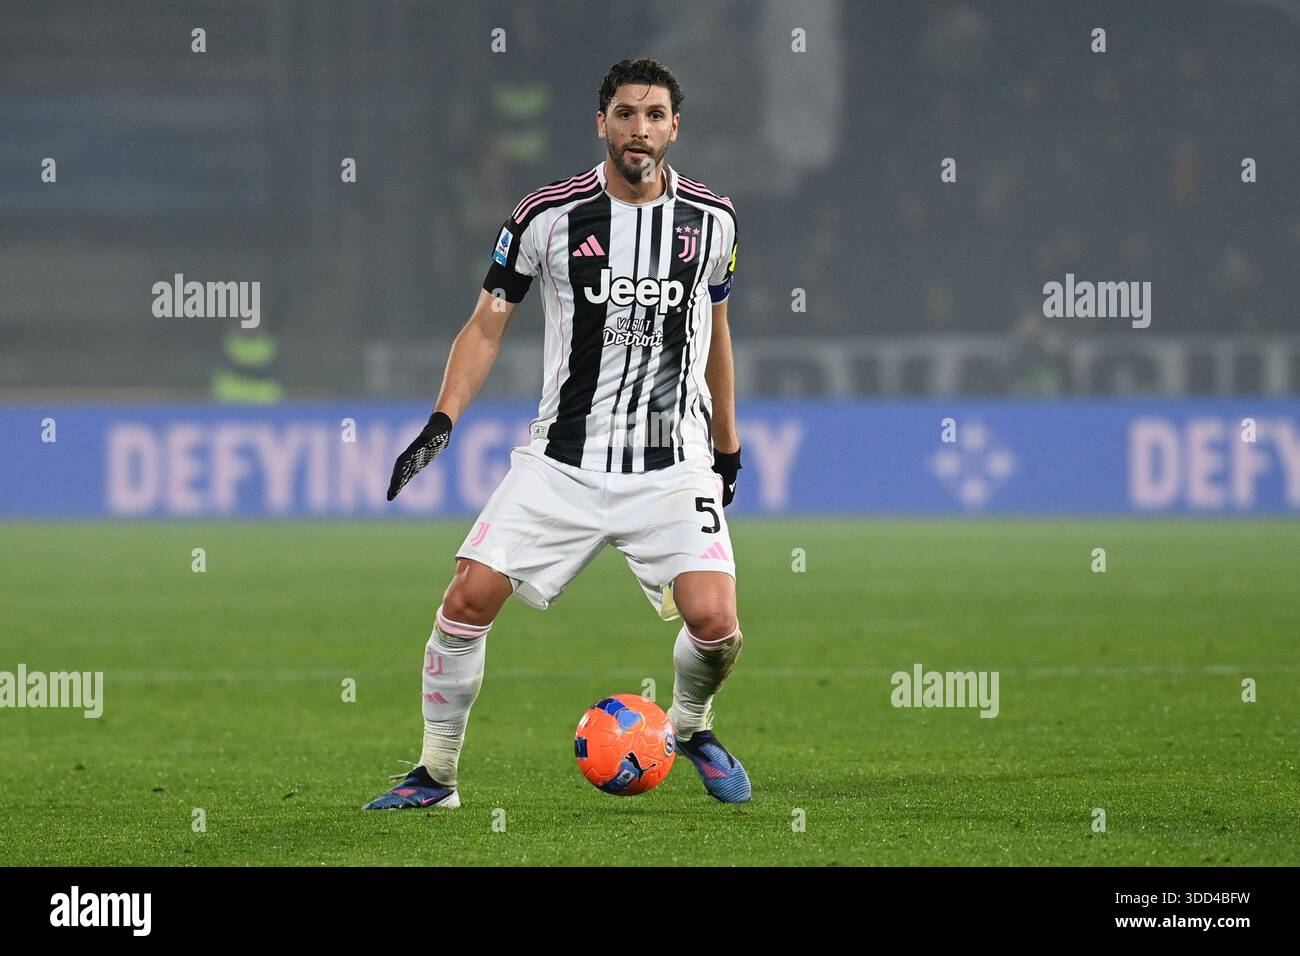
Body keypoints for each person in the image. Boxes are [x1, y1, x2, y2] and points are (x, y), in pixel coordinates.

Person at [365, 58, 749, 808]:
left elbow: (718, 333)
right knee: (467, 598)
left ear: (676, 127)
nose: (641, 128)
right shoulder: (546, 215)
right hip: (562, 461)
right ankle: (436, 775)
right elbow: (486, 326)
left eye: (656, 115)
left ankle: (691, 723)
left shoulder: (713, 220)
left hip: (672, 463)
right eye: (627, 113)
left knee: (716, 623)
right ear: (601, 122)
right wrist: (443, 419)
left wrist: (728, 444)